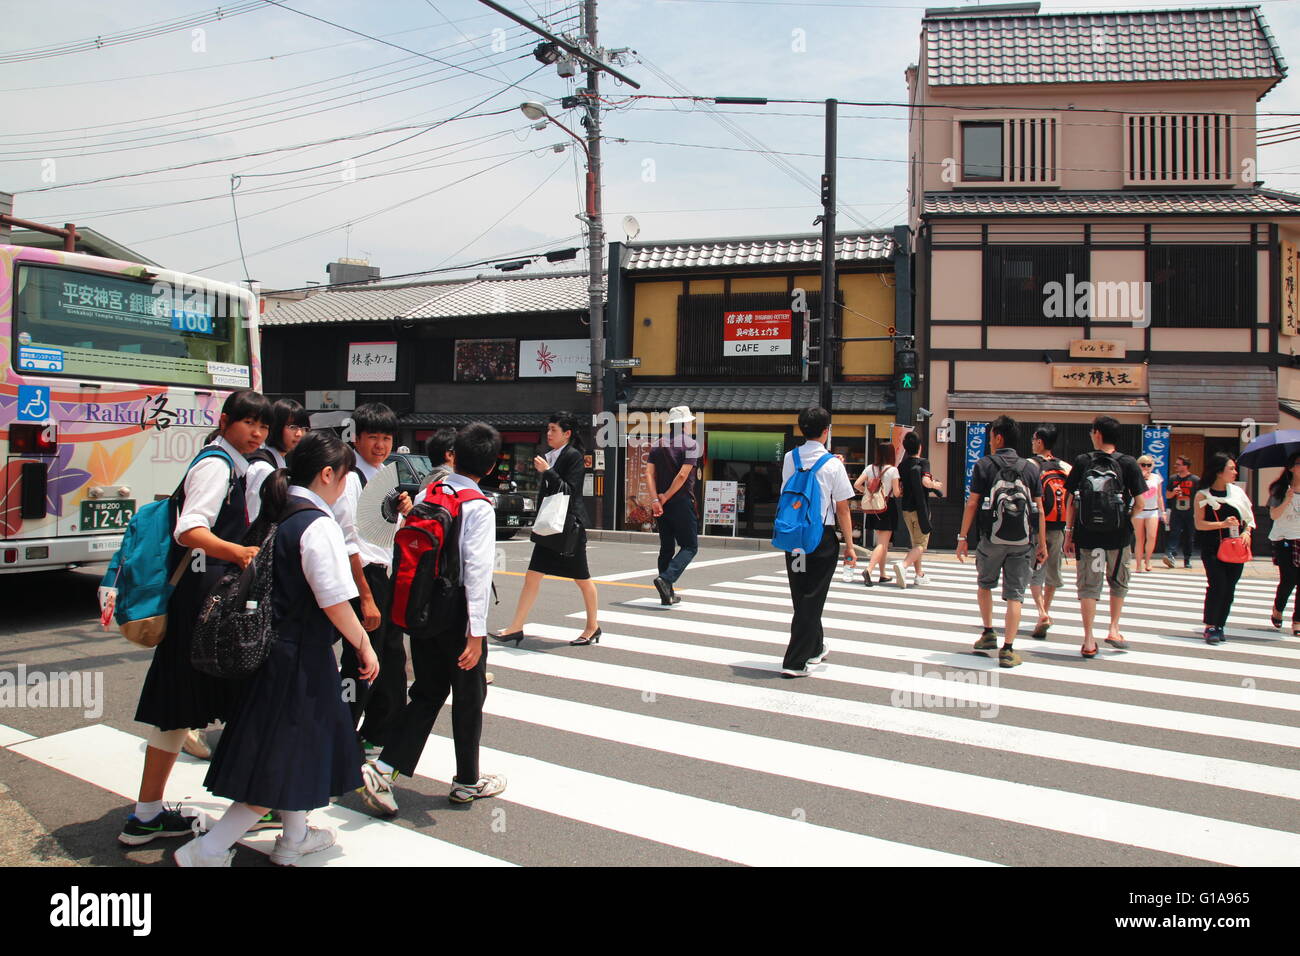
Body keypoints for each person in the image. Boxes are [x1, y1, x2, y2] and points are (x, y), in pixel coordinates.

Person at [174, 432, 380, 866]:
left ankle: (295, 836)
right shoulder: (317, 523)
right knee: (277, 760)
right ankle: (206, 850)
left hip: (271, 652)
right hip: (299, 660)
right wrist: (364, 646)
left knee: (293, 751)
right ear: (328, 475)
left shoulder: (280, 514)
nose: (346, 487)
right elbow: (333, 600)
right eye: (344, 477)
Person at [119, 389, 272, 847]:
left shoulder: (234, 464)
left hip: (202, 605)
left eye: (263, 426)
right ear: (226, 421)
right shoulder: (216, 465)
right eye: (249, 423)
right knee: (240, 700)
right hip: (204, 611)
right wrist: (239, 552)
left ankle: (146, 815)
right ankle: (250, 810)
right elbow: (190, 529)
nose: (257, 433)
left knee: (178, 710)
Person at [361, 424, 506, 816]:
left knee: (426, 692)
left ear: (453, 456)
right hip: (457, 614)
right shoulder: (478, 505)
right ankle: (465, 782)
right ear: (491, 466)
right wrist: (476, 634)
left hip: (423, 608)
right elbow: (476, 574)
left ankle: (386, 768)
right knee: (470, 696)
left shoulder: (429, 492)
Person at [492, 412, 600, 645]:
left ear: (567, 434)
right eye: (548, 429)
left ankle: (593, 626)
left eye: (553, 430)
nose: (548, 434)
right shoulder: (552, 456)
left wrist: (547, 471)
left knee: (582, 578)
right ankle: (515, 627)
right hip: (550, 527)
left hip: (569, 527)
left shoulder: (573, 457)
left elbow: (570, 491)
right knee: (532, 576)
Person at [337, 403, 404, 758]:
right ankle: (341, 731)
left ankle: (377, 732)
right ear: (357, 438)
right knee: (361, 659)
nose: (380, 445)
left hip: (387, 576)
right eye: (373, 437)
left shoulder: (387, 475)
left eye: (386, 438)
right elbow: (348, 542)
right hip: (366, 578)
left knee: (391, 659)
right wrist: (364, 596)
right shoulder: (351, 478)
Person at [955, 416, 1047, 669]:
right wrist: (1042, 544)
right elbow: (1039, 508)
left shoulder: (984, 464)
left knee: (985, 584)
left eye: (991, 435)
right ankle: (1008, 649)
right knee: (1015, 595)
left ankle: (988, 633)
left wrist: (963, 537)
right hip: (1023, 540)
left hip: (991, 538)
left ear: (998, 437)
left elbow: (972, 502)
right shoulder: (1031, 469)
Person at [778, 407, 857, 678]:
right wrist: (849, 545)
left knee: (803, 594)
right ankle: (795, 661)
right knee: (813, 597)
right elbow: (843, 508)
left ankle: (815, 647)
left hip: (795, 537)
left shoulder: (790, 458)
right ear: (826, 431)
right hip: (821, 539)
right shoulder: (834, 465)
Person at [1063, 415, 1146, 658]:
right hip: (1118, 536)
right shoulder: (1128, 463)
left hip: (1087, 534)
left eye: (1092, 431)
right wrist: (1126, 520)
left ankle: (1089, 639)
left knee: (1089, 585)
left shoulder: (1082, 461)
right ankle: (1113, 628)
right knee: (1118, 581)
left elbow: (1071, 502)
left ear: (1098, 434)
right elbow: (1140, 502)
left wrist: (1069, 533)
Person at [1195, 453, 1255, 645]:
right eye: (1231, 468)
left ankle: (1220, 624)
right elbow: (1199, 524)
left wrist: (1247, 532)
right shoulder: (1203, 495)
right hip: (1212, 547)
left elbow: (1249, 518)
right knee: (1217, 585)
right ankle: (1210, 626)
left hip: (1236, 547)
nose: (1235, 472)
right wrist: (1222, 524)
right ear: (1219, 472)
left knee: (1229, 588)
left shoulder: (1237, 492)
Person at [646, 406, 701, 606]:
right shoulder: (691, 444)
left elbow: (649, 474)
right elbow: (682, 475)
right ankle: (666, 579)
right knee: (690, 546)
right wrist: (666, 497)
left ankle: (666, 594)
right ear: (686, 423)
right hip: (680, 502)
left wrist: (655, 500)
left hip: (660, 503)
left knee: (666, 547)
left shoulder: (657, 445)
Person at [1028, 424, 1071, 640]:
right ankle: (1046, 609)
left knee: (1035, 570)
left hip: (1036, 526)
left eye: (1034, 439)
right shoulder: (1064, 467)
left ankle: (1041, 612)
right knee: (1053, 572)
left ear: (1040, 441)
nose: (1032, 442)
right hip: (1059, 526)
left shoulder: (1030, 465)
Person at [245, 398, 311, 522]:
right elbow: (253, 519)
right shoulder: (264, 469)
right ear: (276, 426)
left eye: (304, 428)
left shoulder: (280, 462)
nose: (299, 434)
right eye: (293, 427)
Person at [893, 431, 943, 588]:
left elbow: (899, 488)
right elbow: (926, 482)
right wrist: (936, 485)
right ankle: (904, 565)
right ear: (920, 447)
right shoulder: (923, 463)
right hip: (920, 508)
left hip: (906, 509)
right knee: (921, 544)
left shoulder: (901, 465)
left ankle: (919, 574)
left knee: (915, 543)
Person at [853, 442, 900, 586]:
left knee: (883, 544)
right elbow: (896, 493)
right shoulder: (893, 470)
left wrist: (868, 493)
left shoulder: (869, 468)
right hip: (887, 506)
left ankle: (883, 574)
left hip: (873, 508)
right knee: (882, 543)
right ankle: (869, 569)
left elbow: (856, 485)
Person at [1267, 452, 1300, 634]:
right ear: (1291, 467)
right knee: (1288, 580)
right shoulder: (1280, 489)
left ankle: (1297, 621)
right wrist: (1287, 499)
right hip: (1284, 540)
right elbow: (1273, 515)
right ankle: (1278, 608)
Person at [1163, 456, 1200, 569]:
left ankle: (1187, 559)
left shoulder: (1195, 480)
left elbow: (1200, 497)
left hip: (1190, 512)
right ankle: (1170, 555)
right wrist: (1174, 492)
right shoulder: (1173, 478)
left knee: (1189, 536)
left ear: (1185, 466)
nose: (1176, 466)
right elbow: (1167, 495)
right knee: (1174, 533)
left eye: (1178, 464)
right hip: (1177, 511)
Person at [1133, 455, 1167, 573]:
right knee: (1139, 538)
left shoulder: (1156, 478)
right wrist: (1140, 478)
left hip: (1152, 510)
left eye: (1149, 465)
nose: (1146, 467)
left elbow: (1159, 496)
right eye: (1143, 465)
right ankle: (1138, 564)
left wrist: (1163, 511)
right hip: (1138, 510)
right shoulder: (1134, 477)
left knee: (1152, 536)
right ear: (1138, 465)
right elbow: (1131, 492)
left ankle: (1148, 560)